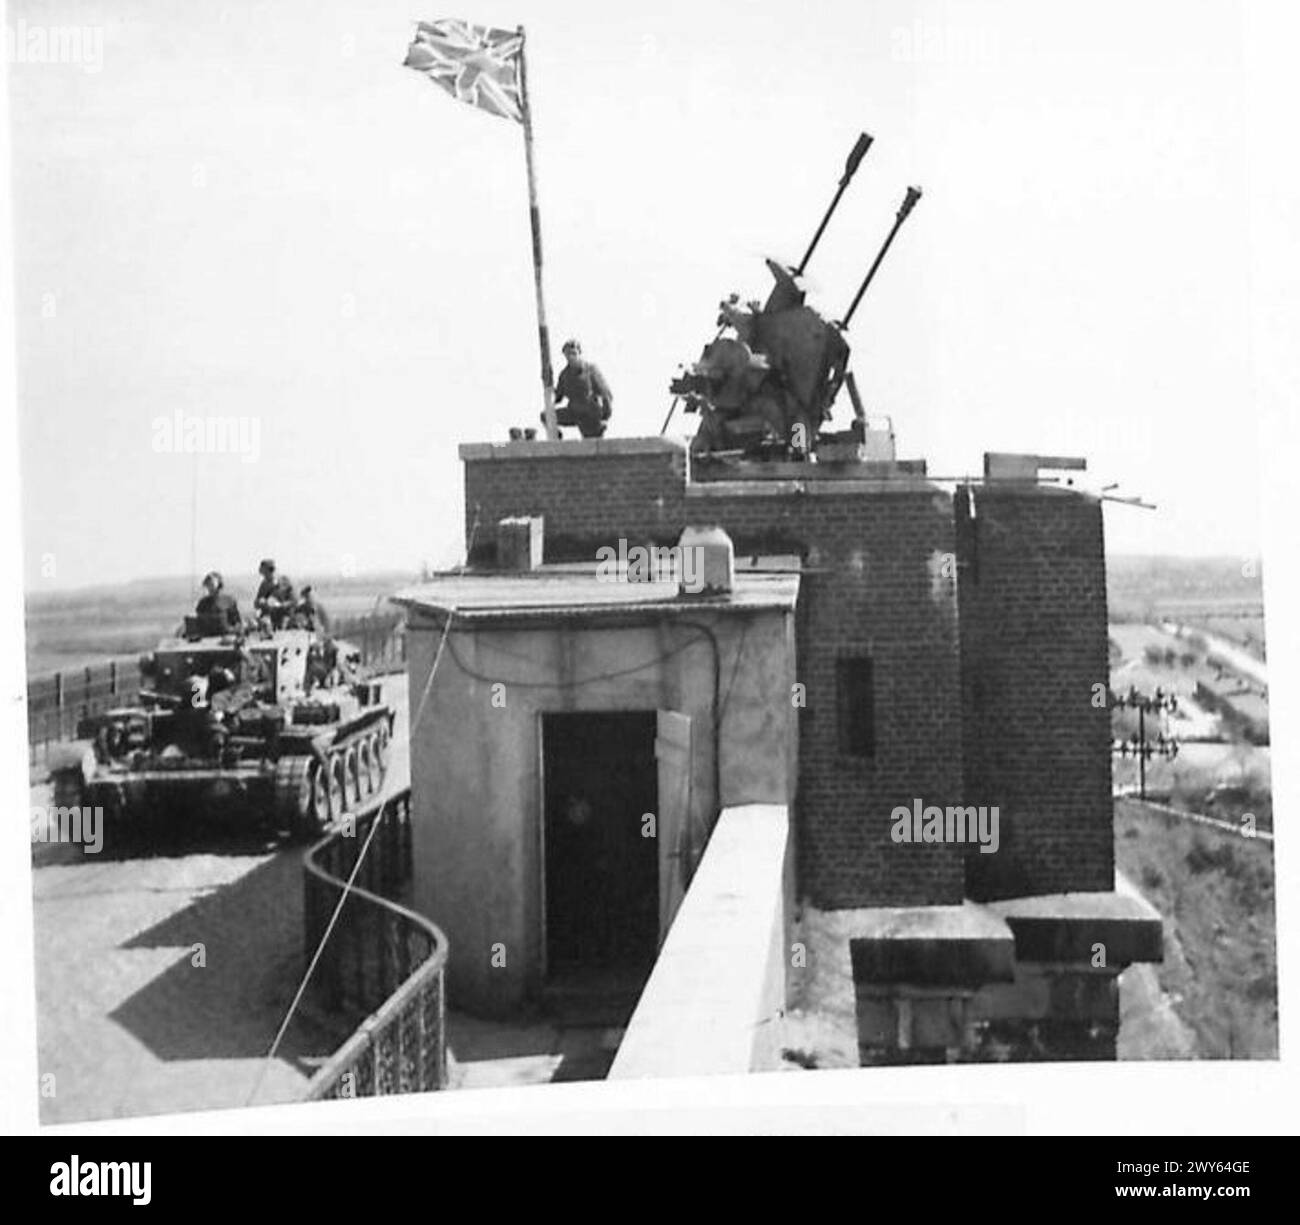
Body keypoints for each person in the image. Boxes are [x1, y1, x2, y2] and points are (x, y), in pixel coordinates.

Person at [547, 338, 613, 439]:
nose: (571, 357)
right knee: (547, 416)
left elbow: (606, 394)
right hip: (575, 412)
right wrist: (549, 386)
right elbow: (557, 398)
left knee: (592, 440)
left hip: (591, 413)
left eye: (574, 353)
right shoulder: (564, 375)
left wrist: (605, 416)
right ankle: (556, 437)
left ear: (579, 353)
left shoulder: (590, 370)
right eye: (568, 354)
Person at [254, 559, 296, 629]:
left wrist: (281, 605)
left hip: (284, 615)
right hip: (269, 616)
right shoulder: (264, 585)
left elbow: (294, 601)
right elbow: (257, 603)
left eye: (264, 570)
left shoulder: (284, 581)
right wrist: (261, 603)